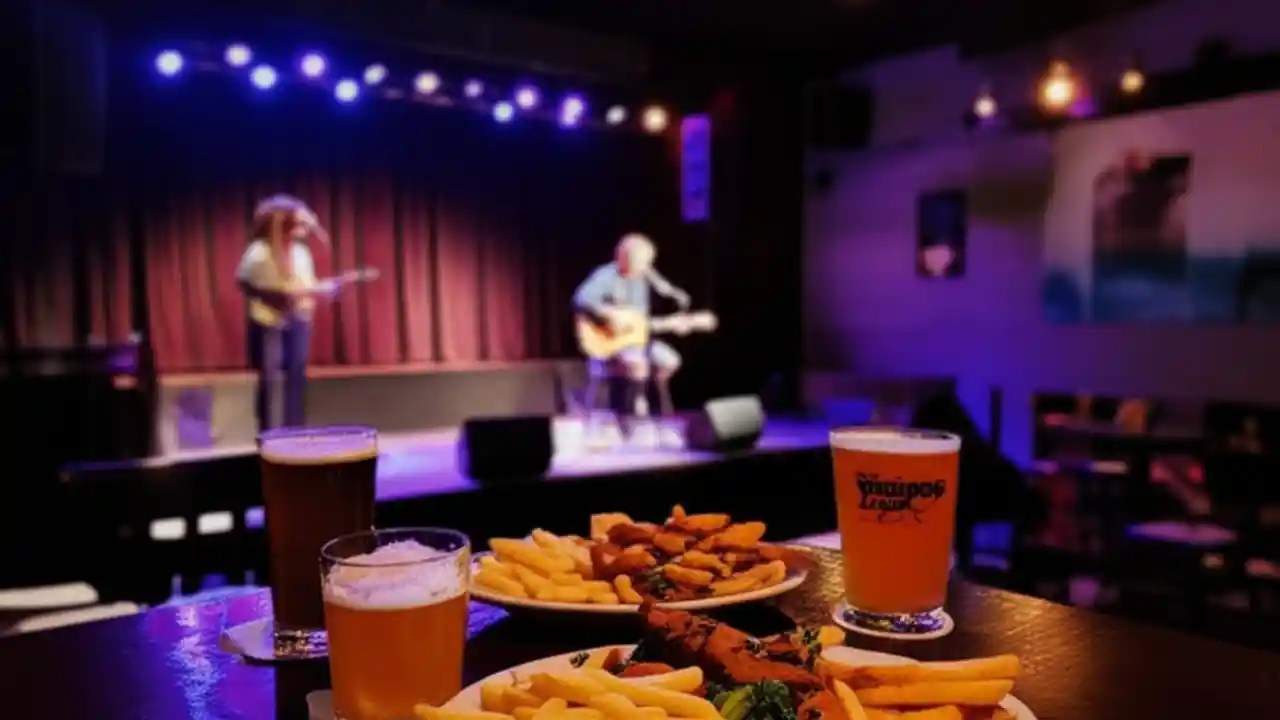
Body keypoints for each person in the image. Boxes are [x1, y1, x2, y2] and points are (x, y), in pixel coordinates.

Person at [237, 194, 337, 429]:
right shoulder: (259, 253)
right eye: (299, 222)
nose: (305, 227)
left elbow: (303, 287)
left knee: (296, 379)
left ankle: (295, 431)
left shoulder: (300, 252)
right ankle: (269, 434)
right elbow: (247, 285)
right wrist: (301, 294)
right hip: (269, 325)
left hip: (298, 322)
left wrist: (320, 291)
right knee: (270, 383)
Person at [574, 233, 691, 430]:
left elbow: (640, 323)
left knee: (670, 361)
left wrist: (675, 323)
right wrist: (609, 315)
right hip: (611, 344)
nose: (644, 267)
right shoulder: (606, 276)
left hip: (640, 341)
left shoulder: (645, 278)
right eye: (640, 262)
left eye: (647, 263)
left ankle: (656, 414)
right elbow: (581, 298)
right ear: (623, 258)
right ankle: (632, 414)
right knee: (637, 362)